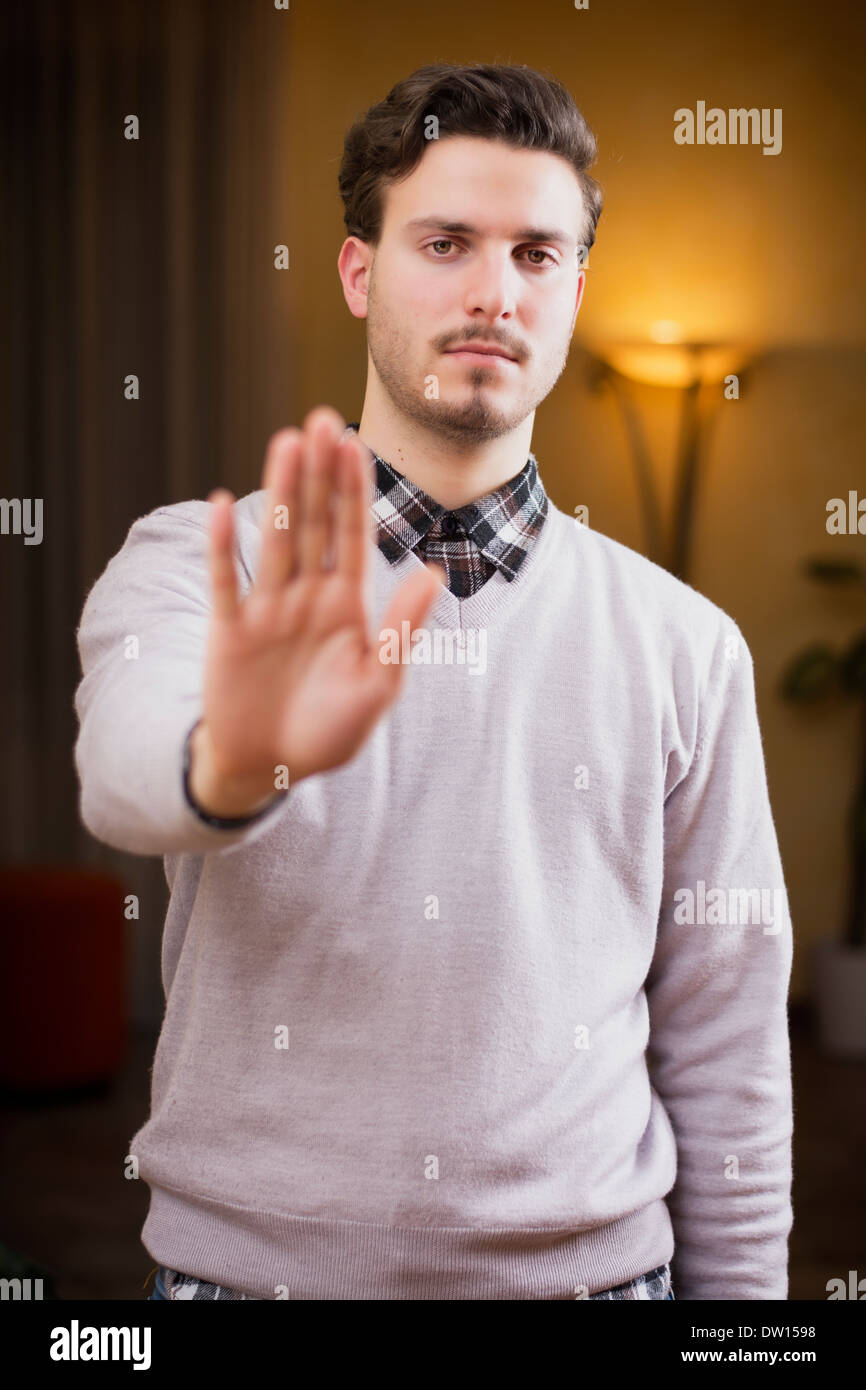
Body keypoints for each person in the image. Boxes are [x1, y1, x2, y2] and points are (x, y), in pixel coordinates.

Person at [74, 62, 792, 1301]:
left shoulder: (685, 643)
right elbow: (122, 774)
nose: (490, 293)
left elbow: (726, 1038)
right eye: (446, 241)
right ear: (358, 273)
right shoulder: (200, 563)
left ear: (575, 287)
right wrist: (232, 759)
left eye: (534, 254)